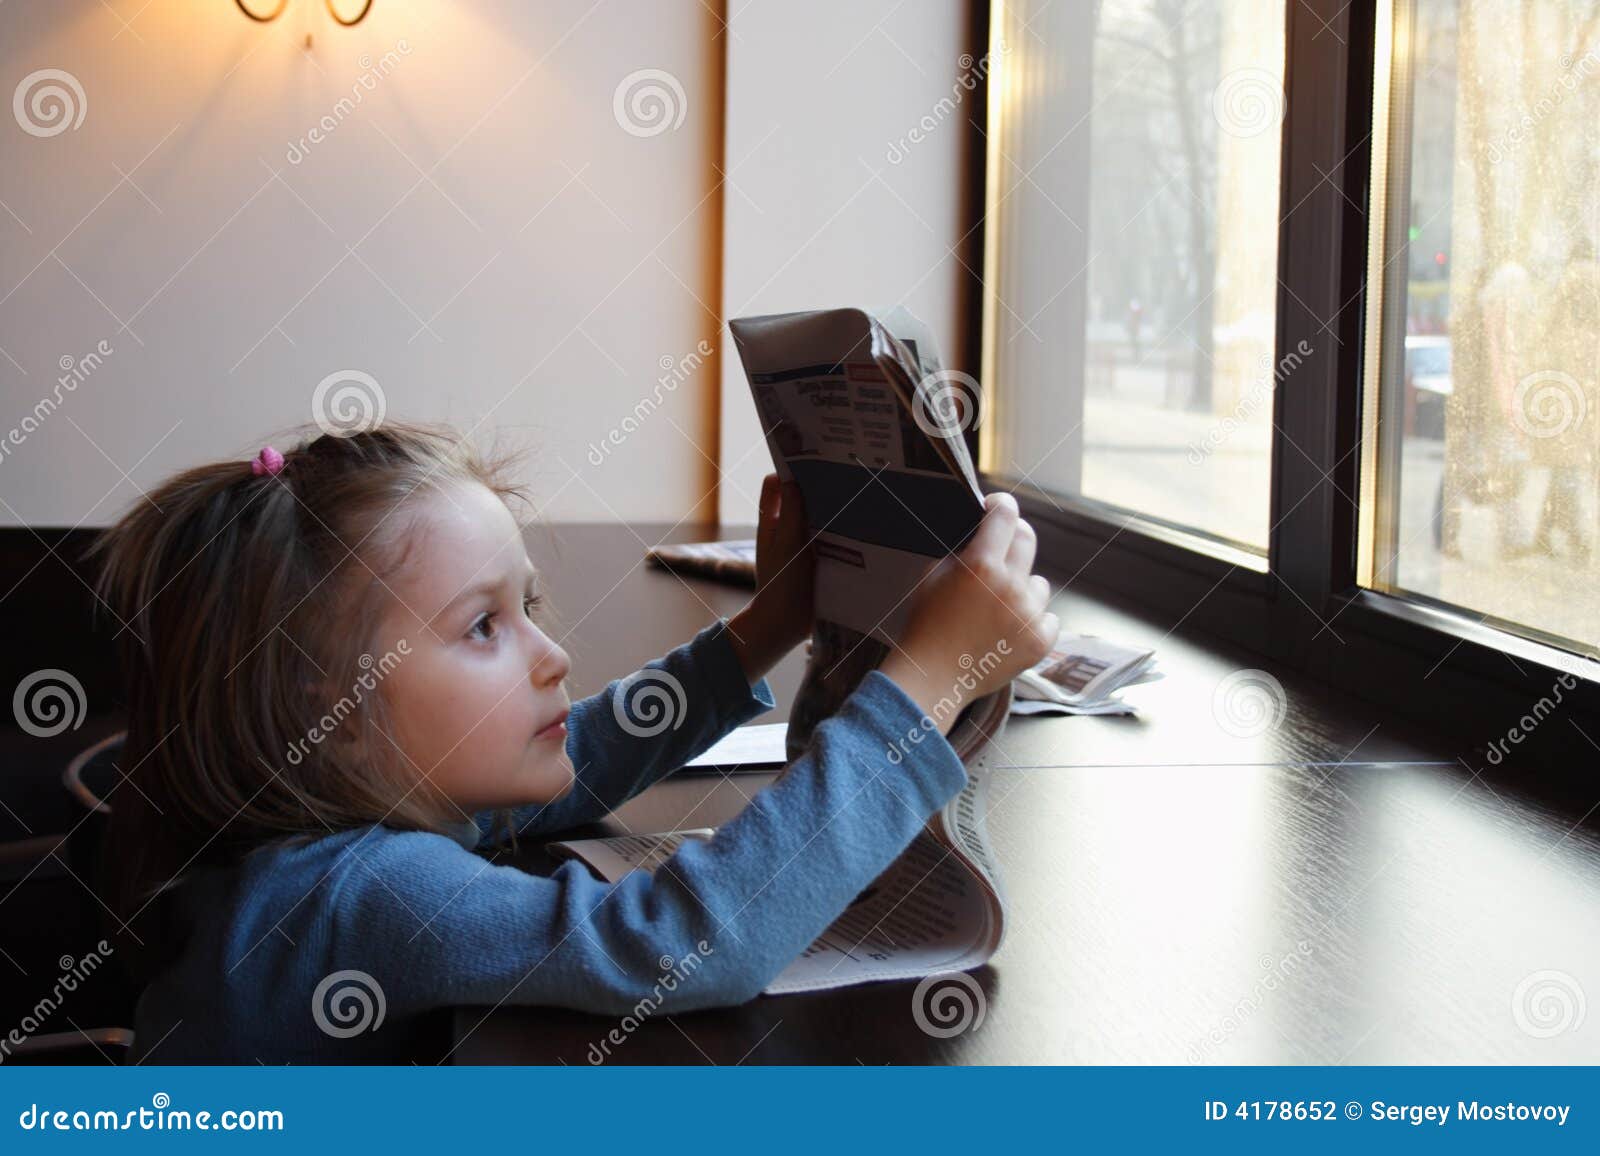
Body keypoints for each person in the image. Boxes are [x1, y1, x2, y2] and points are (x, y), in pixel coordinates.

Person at [92, 423, 1057, 1062]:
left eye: (531, 606)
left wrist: (769, 624)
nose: (553, 654)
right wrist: (923, 688)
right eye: (482, 627)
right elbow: (676, 945)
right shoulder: (363, 895)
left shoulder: (358, 809)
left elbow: (571, 760)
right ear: (326, 700)